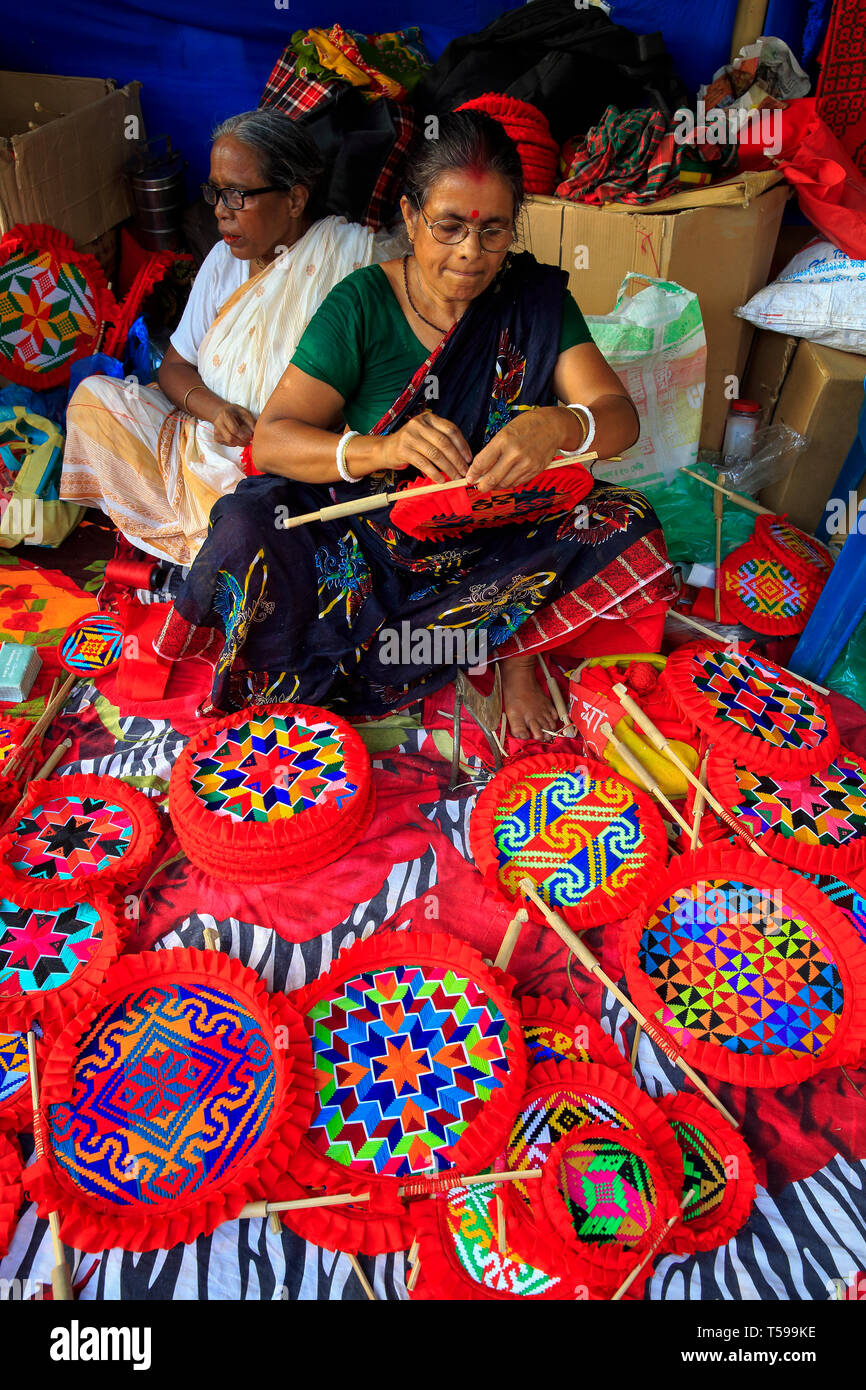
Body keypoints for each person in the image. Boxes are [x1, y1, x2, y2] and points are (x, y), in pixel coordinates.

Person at [157, 110, 673, 738]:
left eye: (493, 231)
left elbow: (618, 419)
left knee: (622, 518)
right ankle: (450, 642)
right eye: (449, 226)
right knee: (246, 528)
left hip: (498, 532)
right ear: (409, 218)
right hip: (369, 540)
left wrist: (559, 425)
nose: (470, 254)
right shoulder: (363, 303)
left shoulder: (534, 300)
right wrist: (383, 448)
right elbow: (273, 440)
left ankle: (515, 650)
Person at [60, 109, 382, 566]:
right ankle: (208, 546)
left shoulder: (351, 262)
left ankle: (212, 548)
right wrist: (216, 411)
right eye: (215, 192)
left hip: (287, 471)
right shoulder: (223, 260)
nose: (219, 211)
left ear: (294, 199)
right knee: (94, 401)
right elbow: (173, 366)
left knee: (264, 515)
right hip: (203, 441)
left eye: (237, 195)